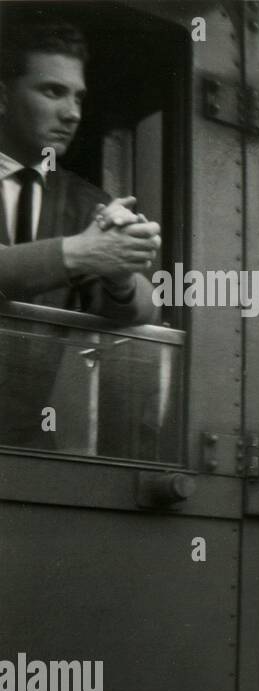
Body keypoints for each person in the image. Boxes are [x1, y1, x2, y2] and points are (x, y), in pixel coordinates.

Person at [0, 17, 161, 447]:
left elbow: (147, 310)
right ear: (2, 96)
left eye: (78, 96)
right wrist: (82, 253)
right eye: (53, 91)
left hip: (28, 450)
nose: (72, 113)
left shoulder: (83, 200)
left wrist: (121, 275)